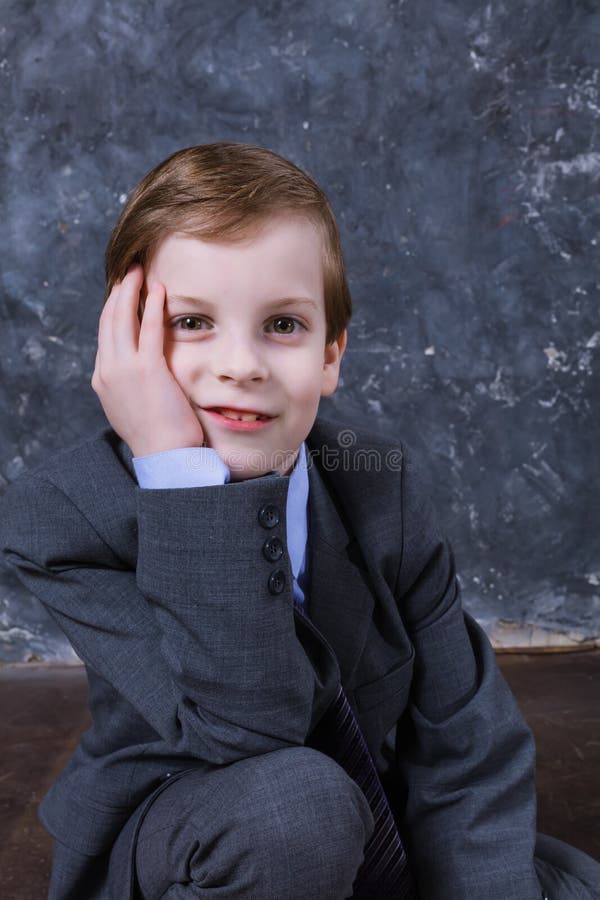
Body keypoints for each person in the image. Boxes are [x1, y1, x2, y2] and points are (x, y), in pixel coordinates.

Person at [0, 142, 598, 900]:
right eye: (192, 321)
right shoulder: (65, 515)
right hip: (200, 833)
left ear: (330, 355)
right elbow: (244, 730)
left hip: (371, 837)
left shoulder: (377, 484)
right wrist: (182, 477)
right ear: (127, 344)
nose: (241, 364)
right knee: (300, 807)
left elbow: (468, 742)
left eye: (282, 324)